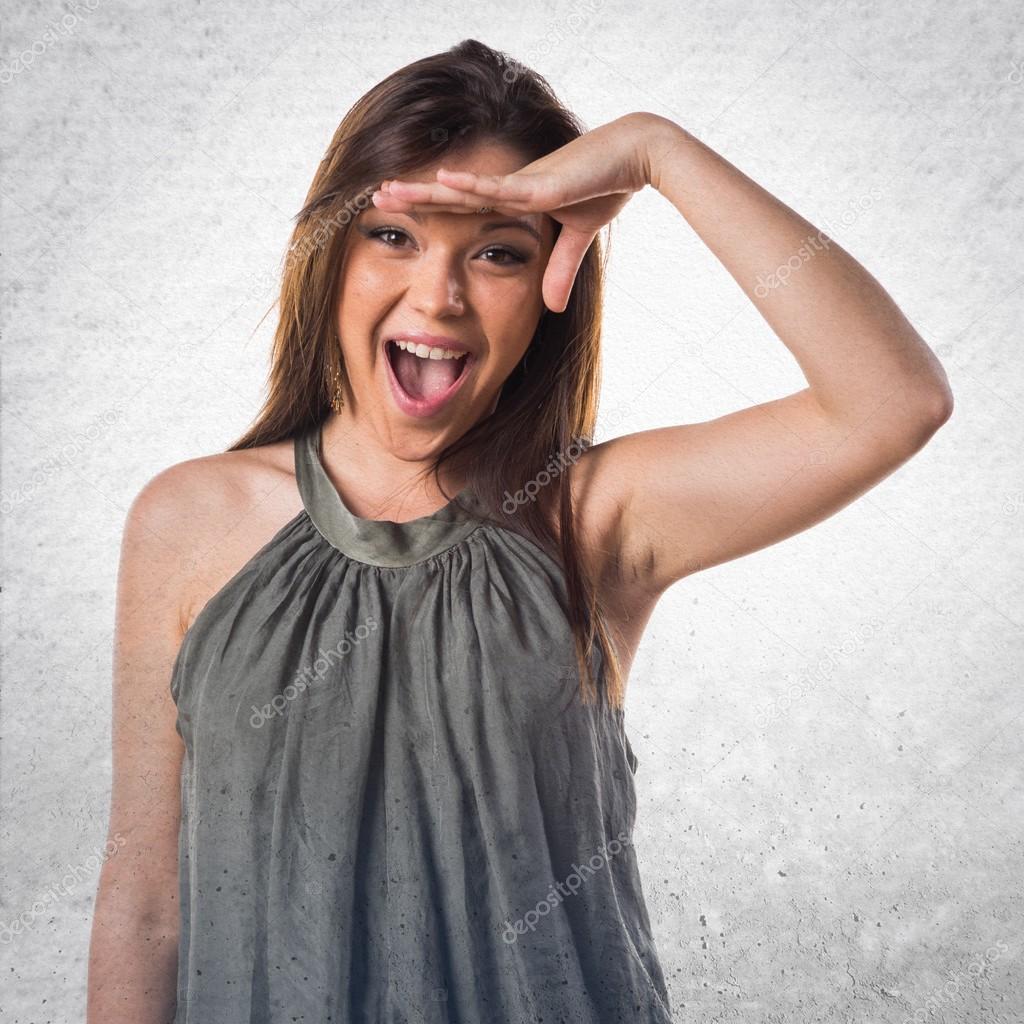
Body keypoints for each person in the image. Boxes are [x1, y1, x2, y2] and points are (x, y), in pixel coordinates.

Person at [86, 38, 953, 1024]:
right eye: (396, 236)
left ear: (553, 292)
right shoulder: (186, 521)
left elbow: (895, 401)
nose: (440, 296)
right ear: (330, 256)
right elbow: (145, 900)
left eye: (498, 250)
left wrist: (657, 153)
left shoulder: (594, 515)